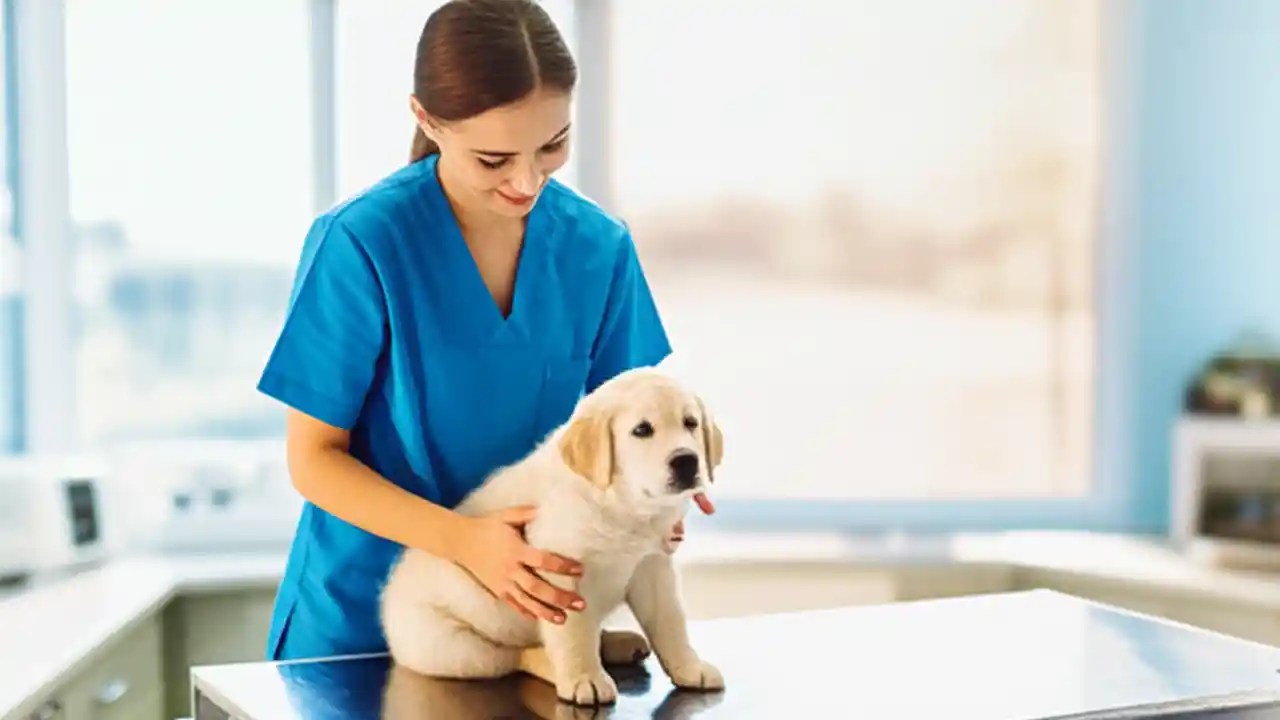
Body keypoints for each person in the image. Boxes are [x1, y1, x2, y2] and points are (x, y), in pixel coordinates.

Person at [256, 0, 706, 662]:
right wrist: (465, 541)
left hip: (526, 621)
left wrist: (661, 491)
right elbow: (314, 460)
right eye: (493, 158)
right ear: (426, 122)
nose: (527, 181)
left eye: (552, 145)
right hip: (359, 630)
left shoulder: (597, 248)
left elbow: (626, 425)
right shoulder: (362, 244)